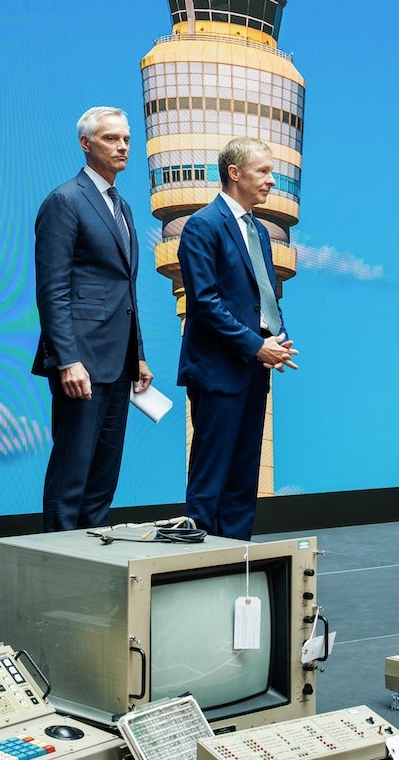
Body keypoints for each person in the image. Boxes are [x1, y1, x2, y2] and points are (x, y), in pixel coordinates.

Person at [32, 107, 153, 532]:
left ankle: (92, 561)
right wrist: (67, 360)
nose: (122, 147)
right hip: (80, 362)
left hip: (118, 363)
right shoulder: (65, 200)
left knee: (103, 480)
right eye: (111, 139)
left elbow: (125, 291)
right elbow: (52, 289)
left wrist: (138, 355)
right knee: (71, 475)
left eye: (126, 139)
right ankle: (58, 563)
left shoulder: (123, 206)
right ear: (86, 144)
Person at [176, 137, 298, 540]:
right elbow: (205, 302)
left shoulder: (259, 231)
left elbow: (263, 295)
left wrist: (278, 338)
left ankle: (237, 558)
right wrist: (256, 345)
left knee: (244, 479)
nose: (271, 180)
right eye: (263, 171)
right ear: (234, 173)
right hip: (217, 372)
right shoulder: (202, 225)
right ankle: (201, 563)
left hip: (253, 369)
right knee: (211, 478)